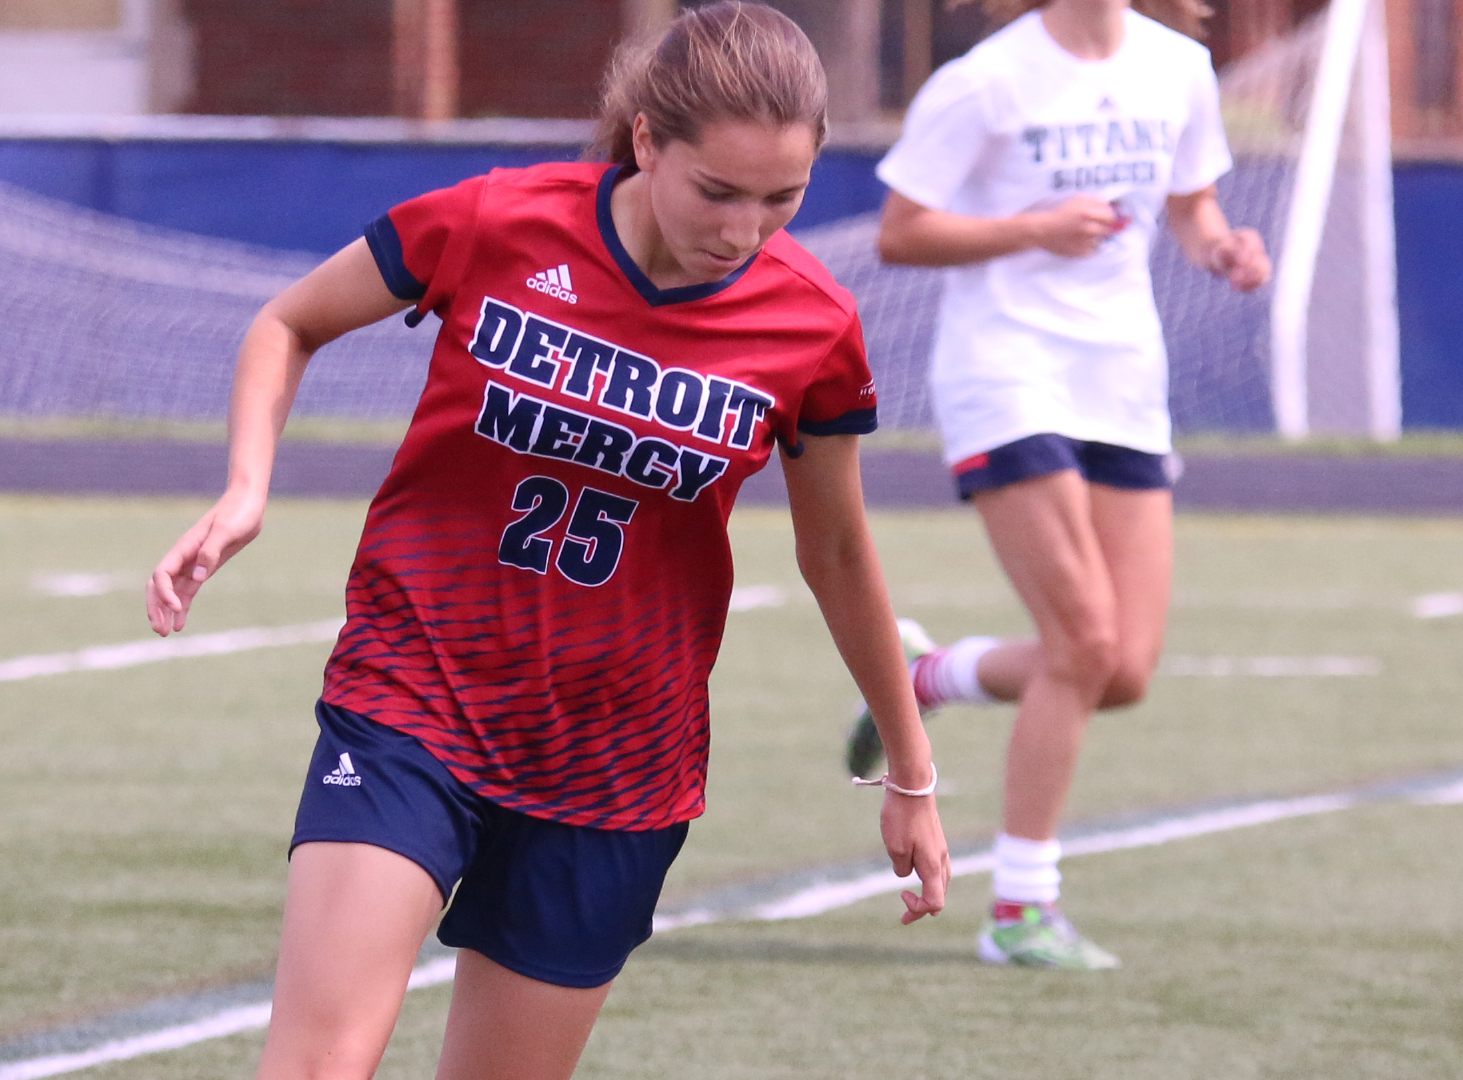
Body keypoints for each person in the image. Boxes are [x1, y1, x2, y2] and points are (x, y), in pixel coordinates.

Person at [146, 5, 948, 1076]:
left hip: (619, 755)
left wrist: (910, 768)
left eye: (782, 199)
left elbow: (839, 553)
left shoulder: (813, 327)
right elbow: (288, 322)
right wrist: (248, 486)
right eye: (719, 191)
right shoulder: (494, 223)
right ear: (649, 141)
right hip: (416, 693)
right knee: (318, 1062)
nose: (745, 230)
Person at [844, 0, 1271, 969]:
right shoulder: (985, 80)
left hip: (1121, 379)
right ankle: (1021, 911)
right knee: (1081, 641)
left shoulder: (1177, 68)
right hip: (1007, 373)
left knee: (1120, 670)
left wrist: (1221, 249)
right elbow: (902, 234)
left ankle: (929, 677)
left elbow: (1192, 204)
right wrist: (1030, 227)